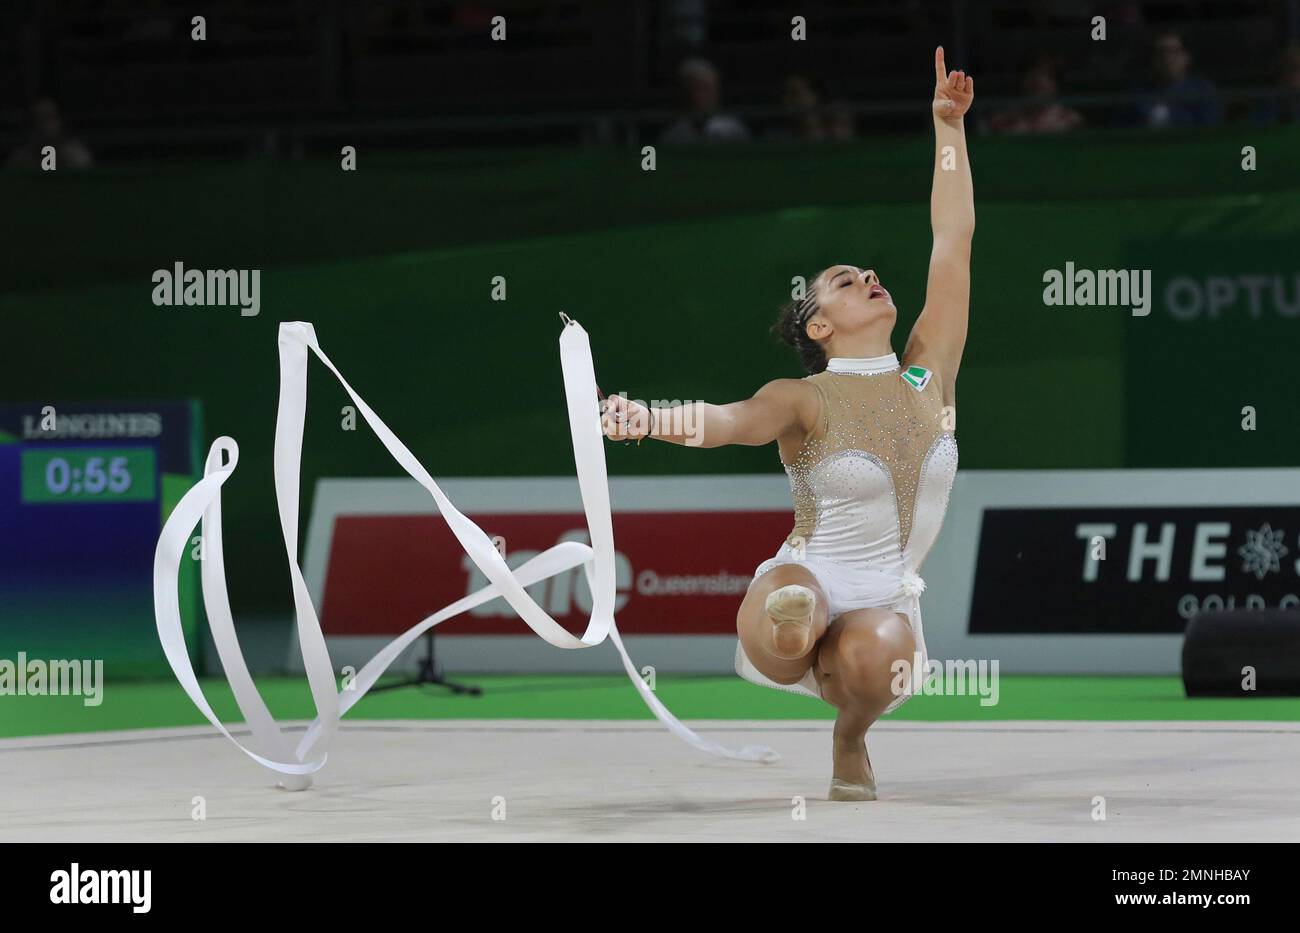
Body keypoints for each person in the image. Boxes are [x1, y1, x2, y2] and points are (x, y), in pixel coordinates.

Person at [604, 47, 973, 801]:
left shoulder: (927, 373)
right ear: (821, 325)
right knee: (793, 600)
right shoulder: (805, 397)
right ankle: (789, 630)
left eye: (867, 273)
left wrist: (948, 130)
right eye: (844, 281)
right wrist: (644, 417)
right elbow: (728, 420)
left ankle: (849, 738)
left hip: (883, 598)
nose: (868, 277)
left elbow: (952, 241)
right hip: (804, 577)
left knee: (881, 659)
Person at [1133, 31, 1222, 127]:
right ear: (1153, 59)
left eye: (1175, 52)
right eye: (1161, 53)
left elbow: (1210, 129)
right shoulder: (1138, 92)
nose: (1168, 59)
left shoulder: (1204, 91)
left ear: (1187, 57)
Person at [659, 58, 752, 144]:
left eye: (705, 89)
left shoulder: (735, 132)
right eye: (693, 89)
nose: (697, 96)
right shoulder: (672, 136)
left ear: (716, 91)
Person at [988, 54, 1083, 134]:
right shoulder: (1000, 121)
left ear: (1055, 84)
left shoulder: (1071, 122)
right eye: (1031, 74)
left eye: (1045, 75)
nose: (1037, 80)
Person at [6, 98, 94, 170]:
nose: (45, 125)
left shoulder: (78, 156)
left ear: (60, 121)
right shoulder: (20, 160)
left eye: (50, 118)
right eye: (39, 119)